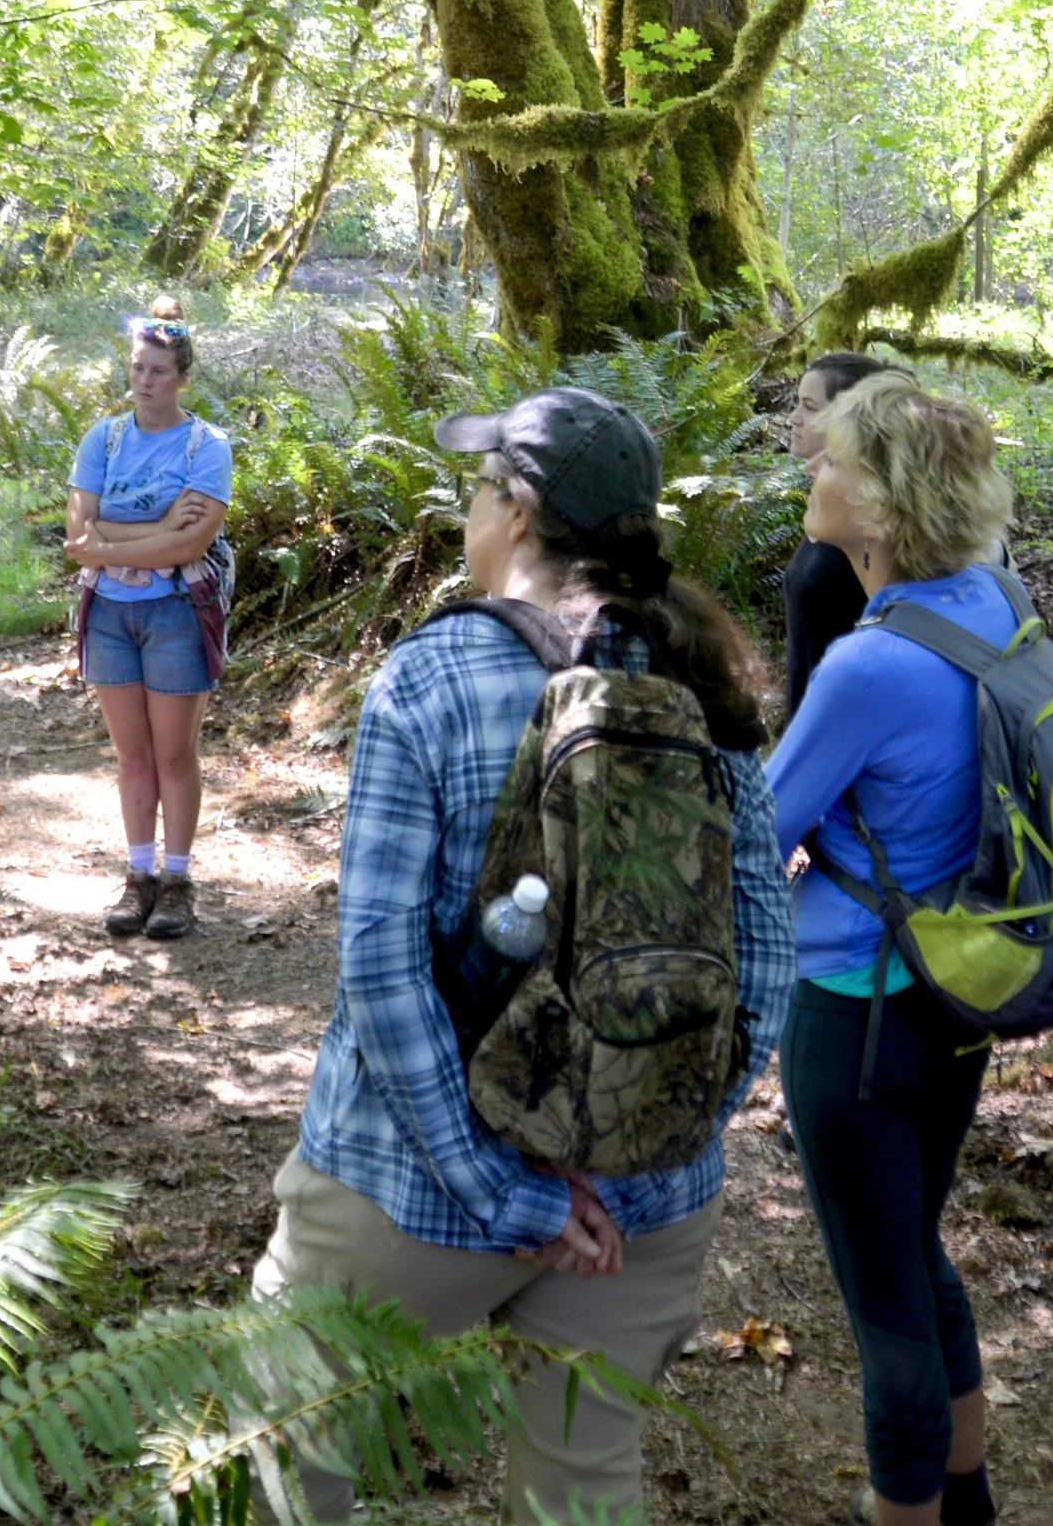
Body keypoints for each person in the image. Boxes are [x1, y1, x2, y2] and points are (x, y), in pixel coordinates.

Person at [253, 387, 791, 1525]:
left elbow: (381, 969)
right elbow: (762, 962)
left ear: (516, 513)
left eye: (478, 486)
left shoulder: (431, 676)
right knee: (582, 1490)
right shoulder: (701, 675)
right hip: (642, 1216)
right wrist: (642, 1145)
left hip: (411, 1194)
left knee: (281, 1440)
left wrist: (507, 1189)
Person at [769, 372, 1012, 1526]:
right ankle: (969, 1502)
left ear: (876, 502)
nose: (811, 467)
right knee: (915, 1248)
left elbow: (757, 830)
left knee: (885, 1307)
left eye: (832, 458)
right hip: (959, 994)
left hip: (855, 1013)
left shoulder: (866, 665)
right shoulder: (993, 605)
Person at [63, 298, 231, 942]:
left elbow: (191, 545)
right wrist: (157, 526)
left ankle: (178, 882)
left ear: (183, 376)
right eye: (138, 367)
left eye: (159, 370)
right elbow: (78, 534)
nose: (145, 380)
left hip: (177, 611)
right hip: (108, 612)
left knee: (173, 753)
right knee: (132, 754)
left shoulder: (206, 446)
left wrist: (110, 540)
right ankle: (138, 877)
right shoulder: (103, 438)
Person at [784, 351, 908, 717]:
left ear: (849, 418)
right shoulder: (827, 517)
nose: (794, 418)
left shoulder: (866, 527)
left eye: (809, 407)